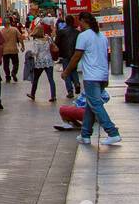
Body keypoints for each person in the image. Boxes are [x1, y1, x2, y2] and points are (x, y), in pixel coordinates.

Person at [63, 13, 120, 145]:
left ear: (83, 21)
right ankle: (85, 134)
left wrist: (67, 72)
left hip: (91, 76)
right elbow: (105, 56)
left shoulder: (83, 36)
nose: (79, 25)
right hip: (102, 74)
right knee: (90, 105)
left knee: (95, 104)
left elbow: (76, 56)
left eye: (80, 22)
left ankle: (112, 132)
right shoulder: (102, 36)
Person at [25, 24, 57, 102]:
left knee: (36, 79)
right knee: (51, 79)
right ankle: (53, 95)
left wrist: (30, 54)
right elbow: (53, 45)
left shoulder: (36, 41)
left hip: (40, 62)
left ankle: (33, 94)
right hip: (49, 61)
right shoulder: (48, 38)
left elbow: (35, 52)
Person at [56, 13, 83, 98]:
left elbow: (57, 43)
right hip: (74, 53)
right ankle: (77, 83)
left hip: (65, 54)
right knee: (73, 69)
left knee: (66, 71)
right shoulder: (77, 32)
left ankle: (70, 91)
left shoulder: (61, 32)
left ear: (66, 22)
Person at [0, 16, 23, 83]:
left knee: (6, 64)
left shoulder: (1, 31)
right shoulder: (14, 29)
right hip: (13, 49)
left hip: (5, 50)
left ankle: (7, 77)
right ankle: (14, 72)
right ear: (10, 23)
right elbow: (20, 37)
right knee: (16, 63)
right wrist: (22, 46)